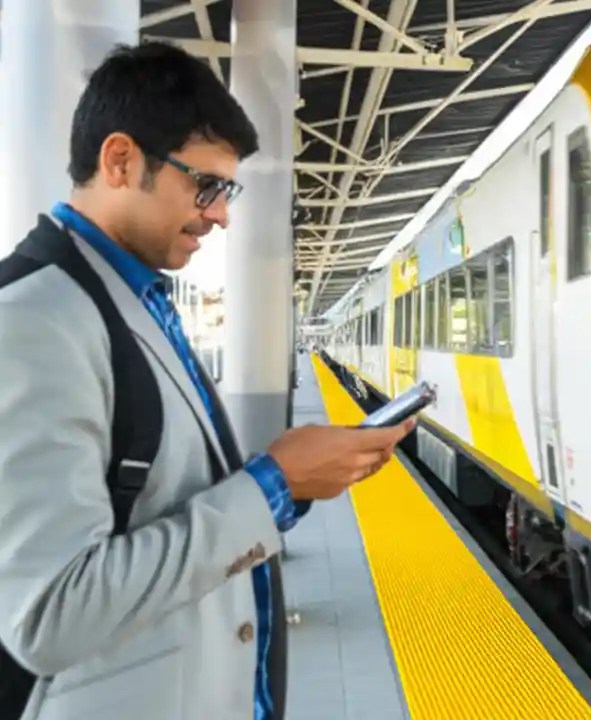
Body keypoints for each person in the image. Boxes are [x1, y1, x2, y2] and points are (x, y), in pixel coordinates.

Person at [0, 42, 413, 719]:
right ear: (120, 160)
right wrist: (271, 485)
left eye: (227, 191)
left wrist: (294, 485)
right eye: (205, 185)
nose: (220, 214)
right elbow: (51, 614)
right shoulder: (32, 321)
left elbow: (165, 501)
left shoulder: (131, 298)